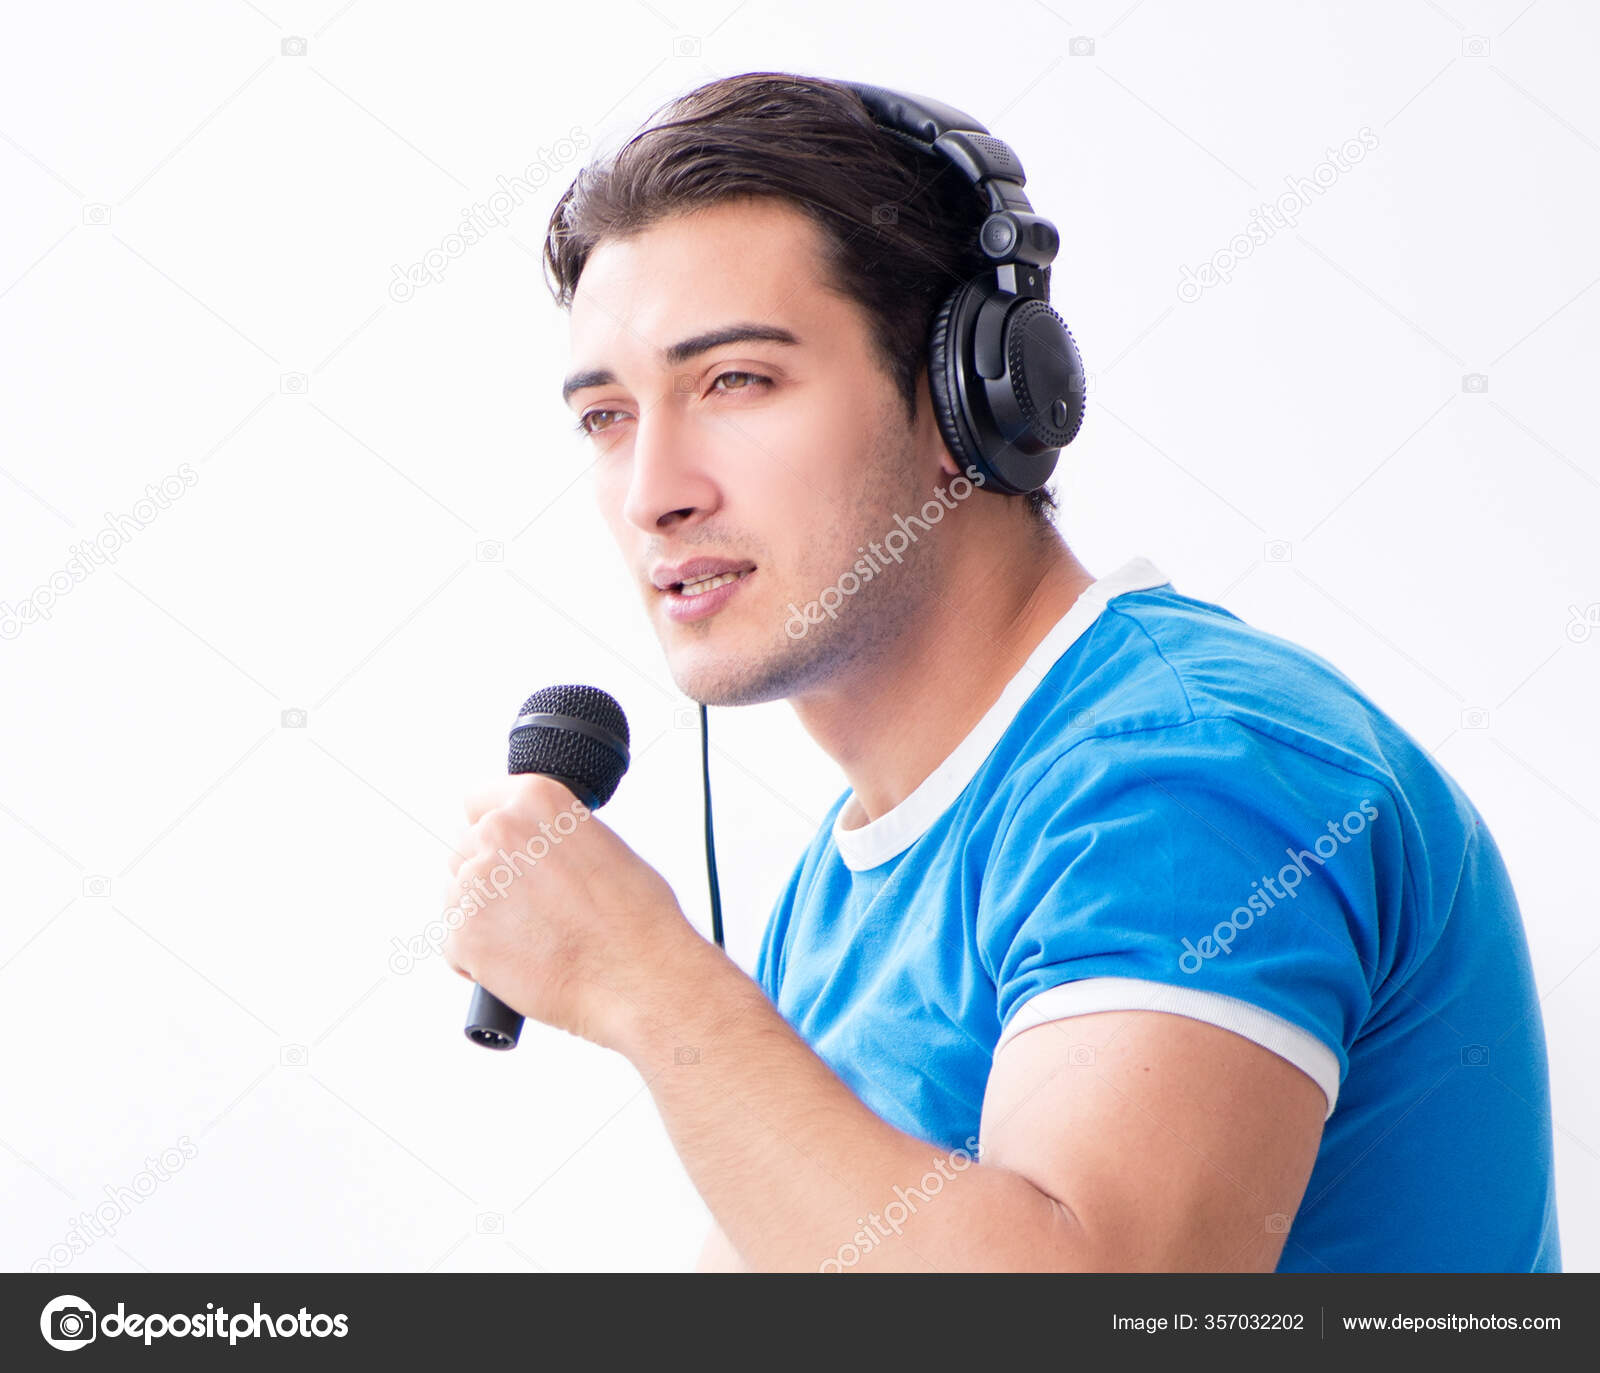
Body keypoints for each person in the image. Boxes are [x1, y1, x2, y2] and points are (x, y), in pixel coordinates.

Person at [442, 71, 1560, 1272]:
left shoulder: (1184, 776)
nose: (654, 492)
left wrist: (649, 981)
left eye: (735, 382)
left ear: (969, 399)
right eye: (607, 417)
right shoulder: (847, 881)